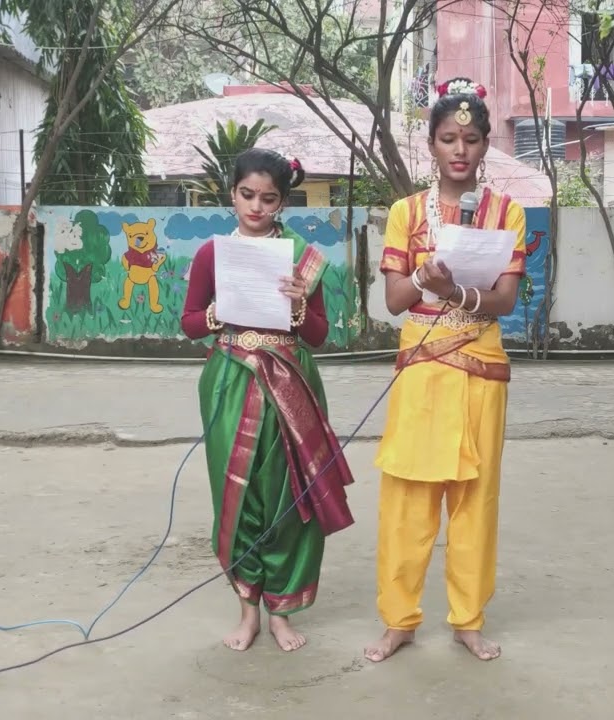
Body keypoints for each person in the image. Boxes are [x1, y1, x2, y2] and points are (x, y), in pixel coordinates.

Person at [364, 77, 527, 663]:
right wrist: (424, 279)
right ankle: (399, 620)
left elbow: (505, 301)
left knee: (475, 500)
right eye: (449, 139)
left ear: (485, 146)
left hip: (481, 368)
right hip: (422, 370)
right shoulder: (405, 213)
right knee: (407, 497)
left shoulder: (507, 213)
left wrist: (455, 290)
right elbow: (394, 300)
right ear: (431, 144)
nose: (461, 150)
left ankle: (468, 620)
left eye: (473, 139)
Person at [181, 148, 356, 653]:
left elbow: (319, 335)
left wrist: (300, 303)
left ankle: (282, 613)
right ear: (231, 194)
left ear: (282, 202)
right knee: (236, 497)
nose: (256, 207)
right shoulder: (212, 254)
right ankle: (247, 612)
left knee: (289, 498)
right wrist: (219, 311)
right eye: (247, 195)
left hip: (290, 382)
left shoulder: (302, 255)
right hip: (230, 380)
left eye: (269, 198)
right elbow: (189, 323)